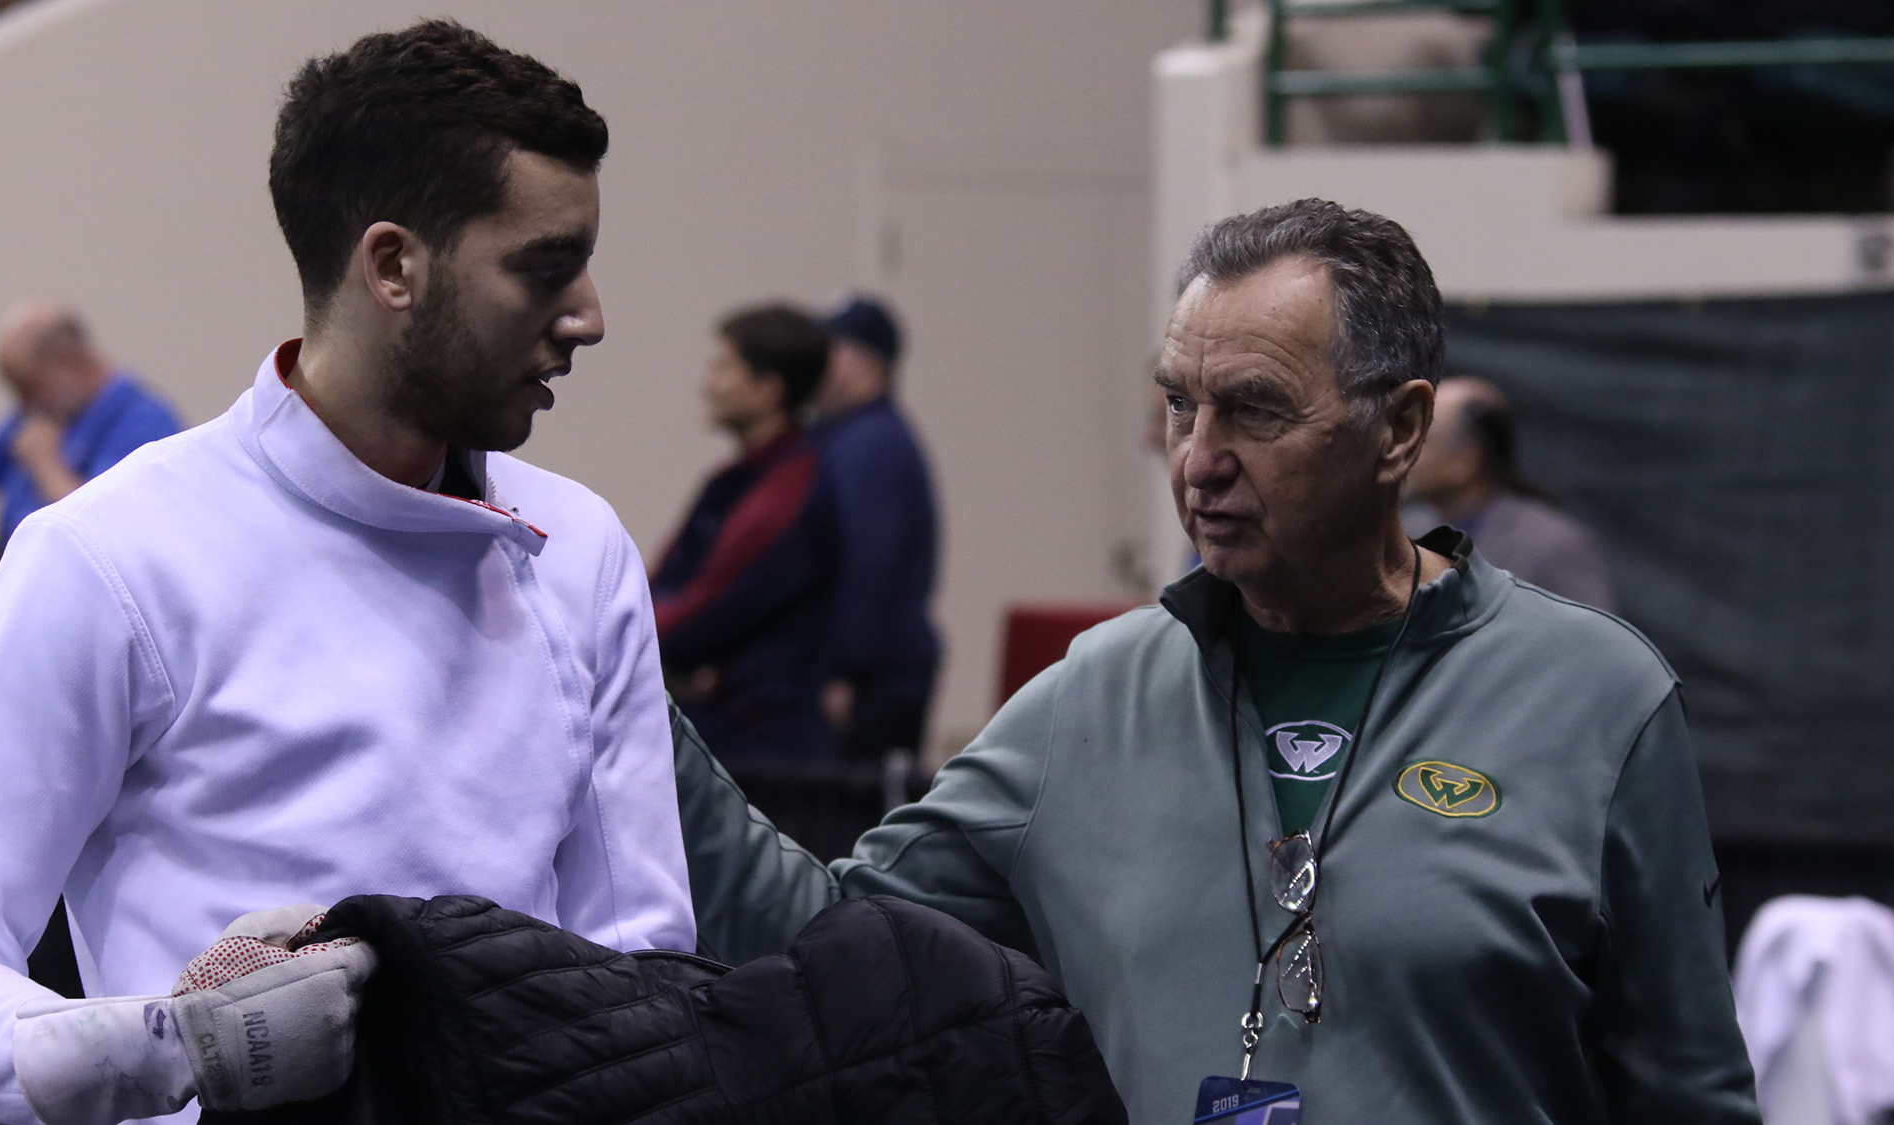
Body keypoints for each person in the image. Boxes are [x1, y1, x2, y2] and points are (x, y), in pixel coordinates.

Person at [671, 199, 1760, 1123]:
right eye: (1179, 404)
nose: (1197, 462)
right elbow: (832, 938)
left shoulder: (1593, 698)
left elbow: (1686, 1090)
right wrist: (625, 693)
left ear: (1398, 430)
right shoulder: (1092, 698)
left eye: (1253, 410)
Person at [0, 21, 692, 1125]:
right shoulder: (108, 559)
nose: (589, 318)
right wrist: (163, 1051)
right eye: (543, 268)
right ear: (392, 267)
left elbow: (644, 968)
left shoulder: (582, 547)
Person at [651, 304, 839, 762]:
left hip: (763, 744)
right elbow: (662, 582)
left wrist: (629, 638)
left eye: (723, 368)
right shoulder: (732, 482)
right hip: (727, 723)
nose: (706, 384)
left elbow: (706, 609)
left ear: (767, 389)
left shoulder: (788, 493)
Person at [0, 301, 182, 546]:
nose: (24, 402)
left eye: (29, 387)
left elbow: (108, 527)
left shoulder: (142, 421)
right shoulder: (43, 415)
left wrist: (46, 465)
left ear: (71, 363)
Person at [812, 296, 941, 761]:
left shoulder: (870, 446)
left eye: (829, 350)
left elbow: (868, 565)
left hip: (874, 681)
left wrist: (845, 672)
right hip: (881, 672)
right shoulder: (852, 437)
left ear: (865, 361)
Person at [1402, 374, 1616, 610]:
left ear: (1467, 458)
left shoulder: (1553, 545)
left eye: (1423, 442)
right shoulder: (1409, 532)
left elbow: (1588, 640)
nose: (1403, 453)